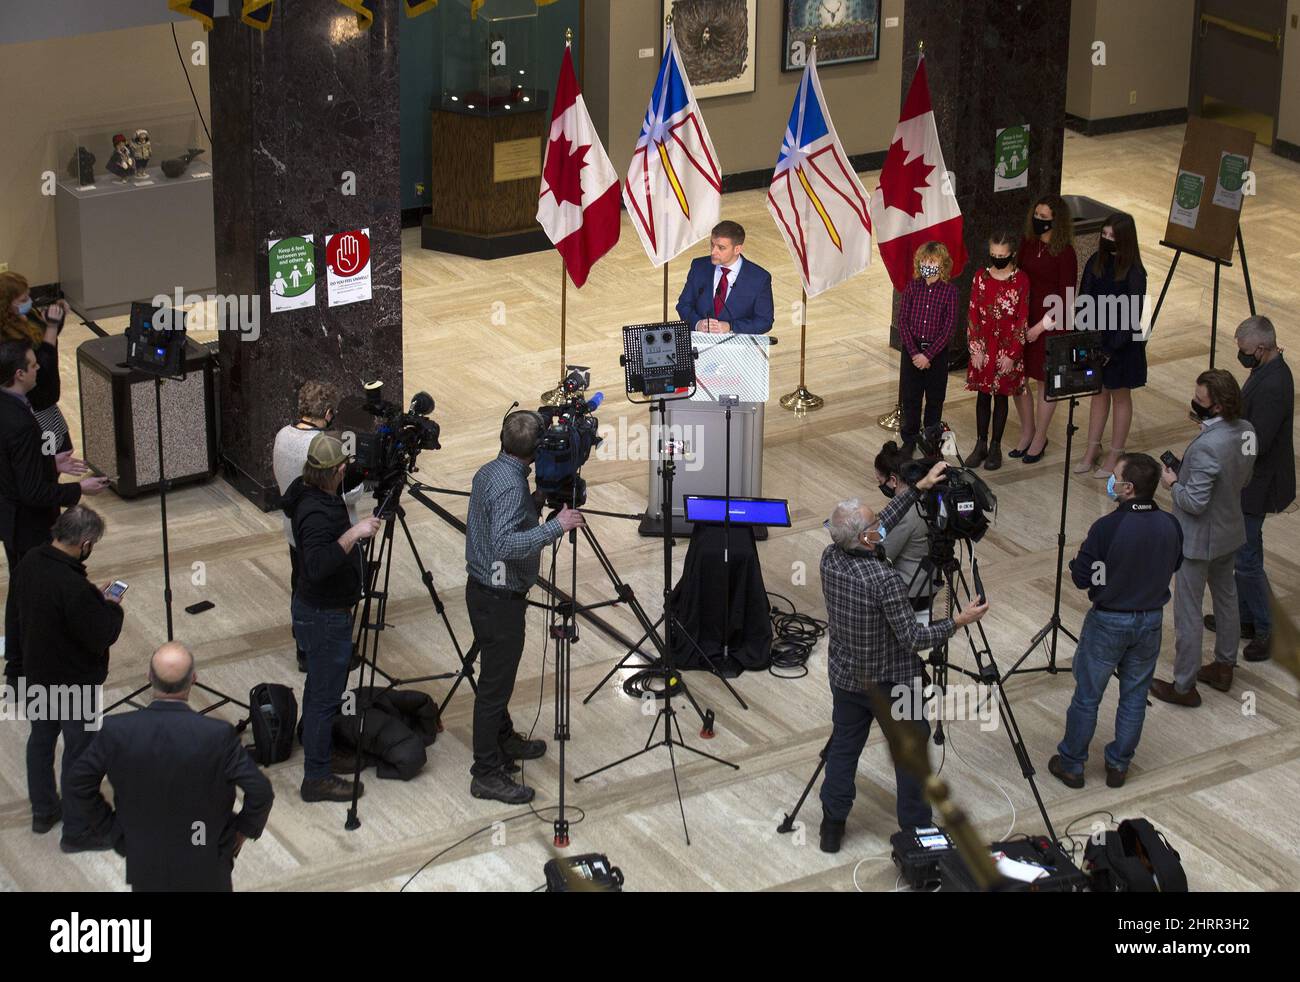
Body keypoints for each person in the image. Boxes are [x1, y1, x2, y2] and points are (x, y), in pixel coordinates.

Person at [818, 461, 990, 854]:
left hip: (846, 675)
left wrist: (919, 488)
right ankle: (916, 832)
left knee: (845, 746)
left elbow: (879, 525)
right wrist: (959, 621)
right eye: (871, 523)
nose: (878, 521)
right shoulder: (885, 580)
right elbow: (914, 638)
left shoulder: (830, 556)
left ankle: (832, 824)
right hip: (896, 680)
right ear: (866, 539)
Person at [65, 642, 274, 892]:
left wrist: (114, 831)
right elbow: (260, 791)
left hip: (146, 857)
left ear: (150, 678)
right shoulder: (217, 735)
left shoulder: (116, 730)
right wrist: (242, 830)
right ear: (193, 679)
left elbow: (78, 782)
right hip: (207, 854)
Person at [464, 411, 585, 804]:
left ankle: (503, 741)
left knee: (494, 680)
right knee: (494, 689)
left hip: (483, 592)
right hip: (498, 601)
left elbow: (502, 518)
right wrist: (557, 526)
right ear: (536, 452)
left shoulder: (491, 472)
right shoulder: (512, 489)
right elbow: (504, 543)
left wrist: (535, 503)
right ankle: (485, 772)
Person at [1048, 454, 1182, 789]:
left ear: (1127, 488)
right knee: (1135, 695)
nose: (1112, 480)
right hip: (1150, 620)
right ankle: (1119, 764)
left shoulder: (1108, 527)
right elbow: (1175, 563)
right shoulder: (1170, 524)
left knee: (1088, 696)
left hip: (1109, 621)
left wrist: (1082, 563)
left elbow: (1083, 577)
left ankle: (1072, 764)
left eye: (1116, 476)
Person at [15, 505, 124, 848]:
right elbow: (101, 633)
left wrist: (14, 669)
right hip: (74, 683)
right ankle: (78, 830)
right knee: (81, 753)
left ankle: (44, 811)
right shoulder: (73, 586)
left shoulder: (30, 561)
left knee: (41, 741)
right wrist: (109, 605)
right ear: (86, 543)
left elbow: (13, 616)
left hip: (37, 673)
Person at [280, 433, 380, 802]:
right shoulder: (318, 513)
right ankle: (316, 777)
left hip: (317, 612)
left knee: (320, 690)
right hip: (324, 616)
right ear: (337, 471)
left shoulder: (306, 493)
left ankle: (318, 749)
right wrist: (354, 533)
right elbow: (318, 565)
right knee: (324, 698)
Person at [1, 340, 107, 685]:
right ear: (18, 374)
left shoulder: (7, 408)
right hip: (28, 525)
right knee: (31, 594)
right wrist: (79, 489)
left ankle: (16, 665)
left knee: (20, 589)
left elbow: (14, 467)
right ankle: (24, 668)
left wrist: (49, 461)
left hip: (11, 519)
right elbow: (32, 491)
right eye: (33, 365)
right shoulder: (20, 422)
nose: (38, 369)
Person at [1151, 370, 1256, 707]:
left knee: (1188, 613)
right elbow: (1243, 476)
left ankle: (1184, 685)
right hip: (1230, 529)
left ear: (1218, 405)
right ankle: (1224, 665)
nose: (1194, 403)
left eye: (1200, 400)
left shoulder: (1208, 446)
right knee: (1226, 599)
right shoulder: (1247, 431)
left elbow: (1194, 503)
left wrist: (1173, 484)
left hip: (1198, 541)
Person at [1209, 316, 1294, 663]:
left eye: (1244, 351)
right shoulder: (1266, 370)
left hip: (1259, 484)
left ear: (1261, 348)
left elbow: (1256, 441)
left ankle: (1267, 630)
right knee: (1241, 553)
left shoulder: (1275, 384)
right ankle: (1244, 619)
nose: (1241, 356)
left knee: (1247, 561)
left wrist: (1220, 430)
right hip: (1251, 481)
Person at [273, 380, 363, 672]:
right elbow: (349, 494)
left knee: (300, 583)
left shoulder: (281, 436)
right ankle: (327, 649)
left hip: (293, 528)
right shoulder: (322, 448)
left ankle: (303, 645)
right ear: (327, 412)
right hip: (327, 530)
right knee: (328, 595)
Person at [1074, 213, 1148, 477]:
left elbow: (1132, 317)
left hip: (1122, 343)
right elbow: (1084, 299)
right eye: (1103, 235)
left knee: (1119, 395)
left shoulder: (1135, 272)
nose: (1106, 241)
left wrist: (1110, 349)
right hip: (1098, 338)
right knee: (1098, 393)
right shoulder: (1096, 261)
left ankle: (1116, 452)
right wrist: (1085, 336)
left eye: (1112, 237)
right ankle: (1092, 448)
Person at [1013, 195, 1078, 464]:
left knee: (1044, 382)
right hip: (1024, 318)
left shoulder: (1065, 252)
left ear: (1057, 221)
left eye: (1045, 218)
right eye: (1036, 216)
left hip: (1050, 322)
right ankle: (1027, 431)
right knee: (1018, 379)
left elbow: (1067, 299)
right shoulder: (1028, 242)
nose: (1039, 221)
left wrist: (1039, 328)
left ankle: (1040, 436)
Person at [964, 232, 1029, 471]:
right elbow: (972, 313)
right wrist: (976, 349)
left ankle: (995, 446)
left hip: (1006, 349)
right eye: (993, 255)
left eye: (1001, 256)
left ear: (1011, 254)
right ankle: (980, 443)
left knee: (1001, 397)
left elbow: (1022, 319)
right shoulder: (980, 277)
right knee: (982, 396)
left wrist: (1012, 355)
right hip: (984, 347)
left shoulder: (1021, 280)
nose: (997, 259)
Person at [0, 271, 72, 455]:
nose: (29, 302)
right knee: (48, 458)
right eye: (23, 299)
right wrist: (52, 326)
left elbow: (45, 333)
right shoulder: (7, 339)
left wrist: (57, 315)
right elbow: (42, 365)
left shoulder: (27, 315)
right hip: (32, 403)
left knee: (62, 449)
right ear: (7, 305)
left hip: (46, 401)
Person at [897, 242, 957, 458]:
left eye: (932, 261)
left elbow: (948, 328)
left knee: (934, 399)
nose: (927, 265)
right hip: (912, 353)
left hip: (936, 356)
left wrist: (928, 355)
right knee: (911, 398)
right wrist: (915, 354)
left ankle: (931, 442)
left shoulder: (949, 292)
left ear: (942, 265)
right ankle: (909, 439)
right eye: (923, 260)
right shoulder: (912, 288)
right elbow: (902, 321)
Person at [675, 220, 775, 335]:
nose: (713, 251)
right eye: (712, 244)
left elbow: (764, 321)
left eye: (721, 248)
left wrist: (730, 327)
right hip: (698, 343)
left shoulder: (759, 278)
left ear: (737, 249)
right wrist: (697, 323)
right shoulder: (699, 267)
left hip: (738, 347)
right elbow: (683, 305)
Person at [873, 442, 934, 608]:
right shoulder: (925, 497)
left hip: (911, 591)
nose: (878, 483)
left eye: (879, 480)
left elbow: (882, 556)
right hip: (926, 582)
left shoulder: (905, 514)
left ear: (893, 480)